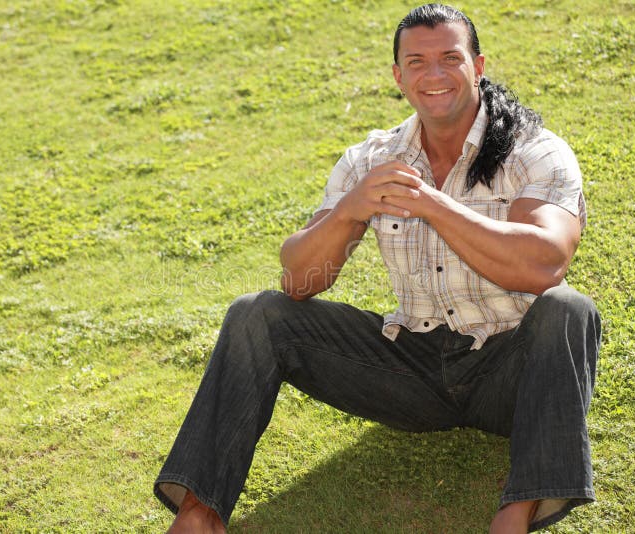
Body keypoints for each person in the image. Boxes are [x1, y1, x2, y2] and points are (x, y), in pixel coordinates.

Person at [154, 4, 601, 533]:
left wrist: (434, 204)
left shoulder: (534, 150)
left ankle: (521, 507)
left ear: (478, 65)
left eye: (449, 59)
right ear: (398, 75)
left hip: (513, 373)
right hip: (409, 369)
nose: (433, 75)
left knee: (569, 308)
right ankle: (199, 513)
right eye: (416, 62)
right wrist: (349, 210)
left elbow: (544, 263)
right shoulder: (372, 157)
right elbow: (300, 278)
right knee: (258, 315)